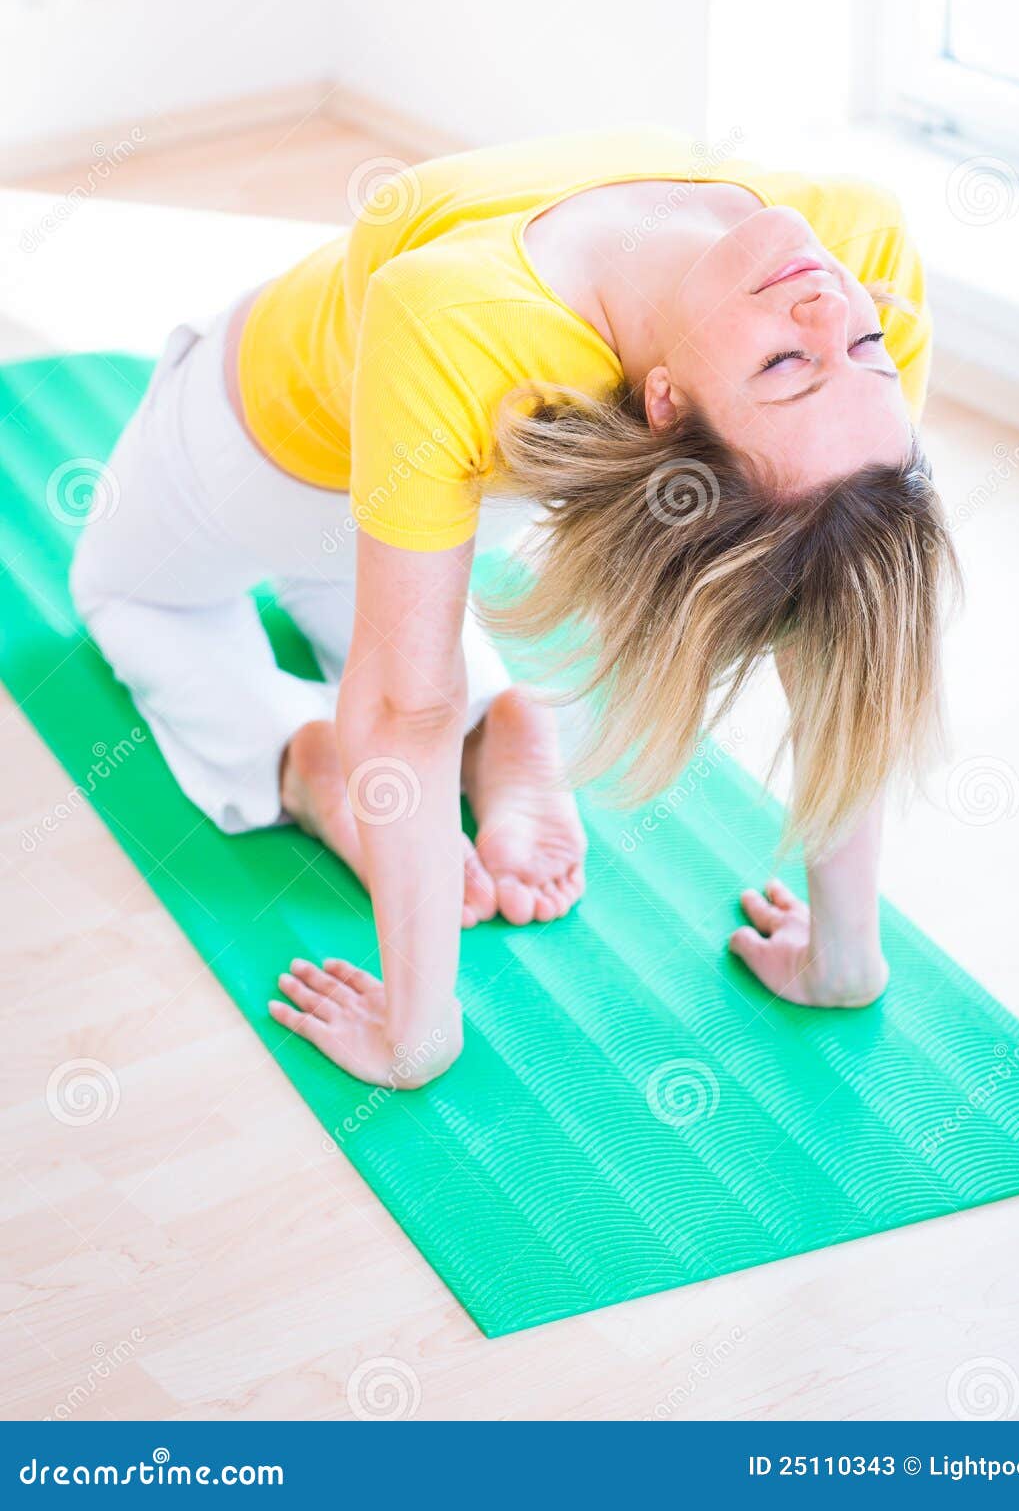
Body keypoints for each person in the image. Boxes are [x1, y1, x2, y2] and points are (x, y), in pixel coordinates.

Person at [70, 127, 960, 1089]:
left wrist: (416, 1038)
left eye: (788, 364)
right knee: (354, 601)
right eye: (864, 344)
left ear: (663, 404)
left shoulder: (452, 315)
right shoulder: (859, 247)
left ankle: (302, 757)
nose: (830, 308)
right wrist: (842, 956)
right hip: (452, 476)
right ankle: (496, 718)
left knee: (129, 599)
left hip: (266, 460)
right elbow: (841, 609)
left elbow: (410, 705)